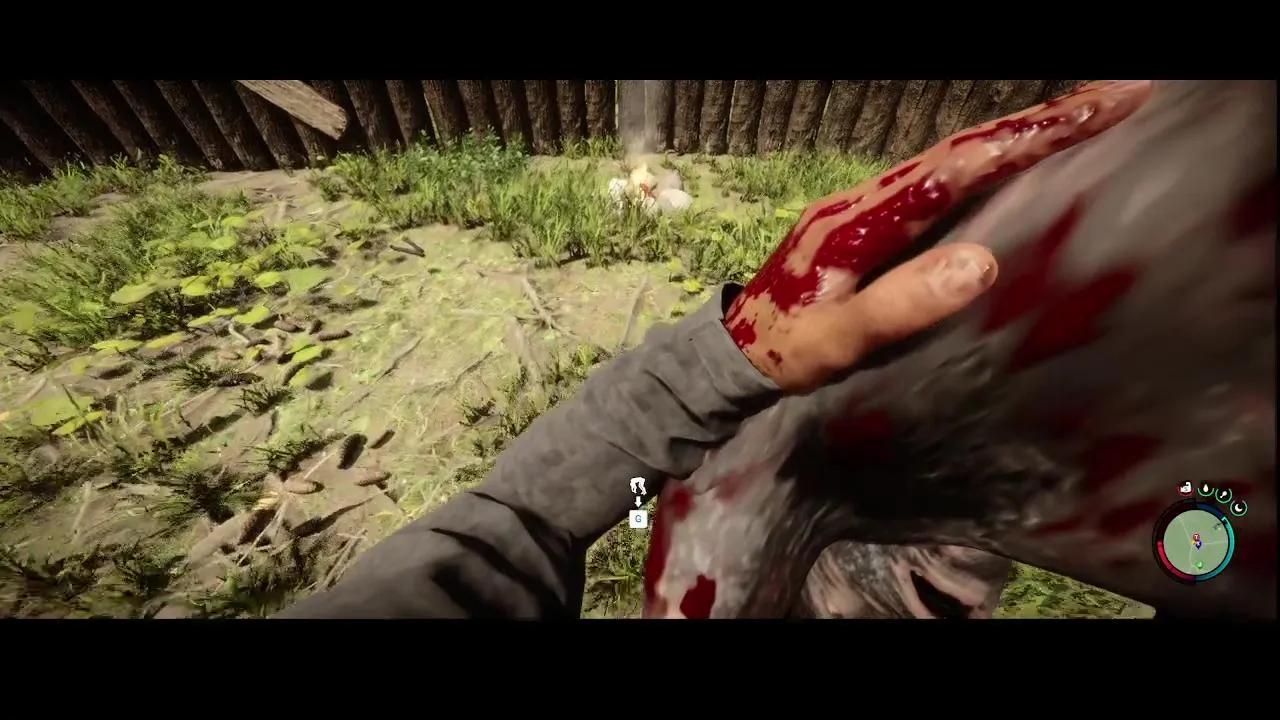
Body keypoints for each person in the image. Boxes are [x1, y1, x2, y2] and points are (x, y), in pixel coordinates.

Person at [279, 81, 1149, 619]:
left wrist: (725, 360)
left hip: (682, 486)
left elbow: (520, 521)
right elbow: (522, 520)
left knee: (658, 503)